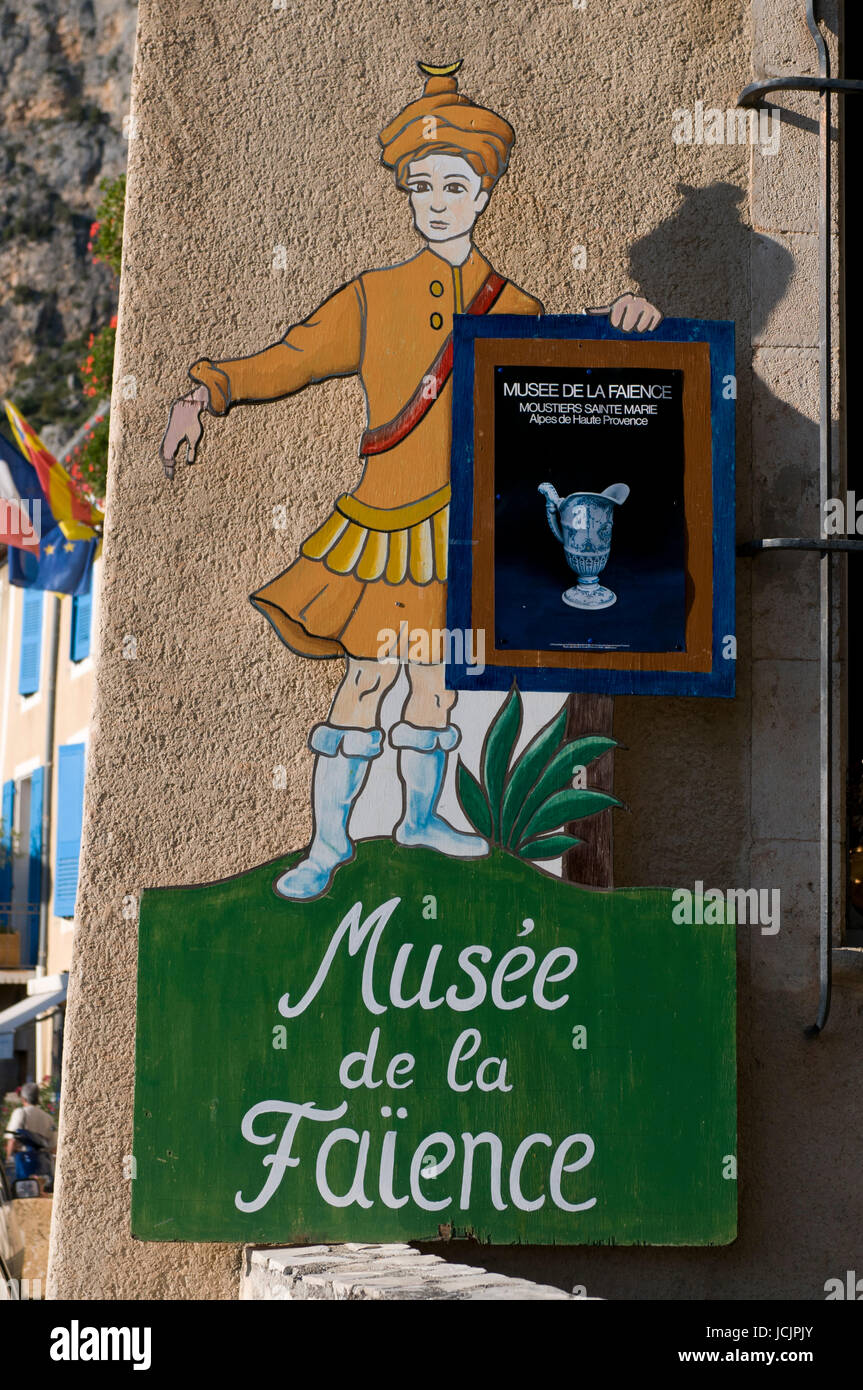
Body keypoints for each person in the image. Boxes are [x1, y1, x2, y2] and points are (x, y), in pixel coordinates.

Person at [160, 61, 662, 902]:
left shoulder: (516, 309)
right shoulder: (373, 295)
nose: (434, 199)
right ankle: (326, 846)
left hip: (461, 531)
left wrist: (628, 322)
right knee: (364, 677)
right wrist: (204, 392)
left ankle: (420, 819)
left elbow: (572, 392)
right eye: (419, 185)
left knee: (433, 679)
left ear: (482, 195)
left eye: (451, 184)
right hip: (384, 522)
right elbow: (291, 359)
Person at [4, 1082, 57, 1180]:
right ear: (37, 1098)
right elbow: (53, 1146)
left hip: (23, 1164)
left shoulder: (20, 1113)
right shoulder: (48, 1118)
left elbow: (12, 1140)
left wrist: (8, 1161)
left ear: (23, 1098)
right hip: (43, 1166)